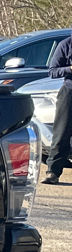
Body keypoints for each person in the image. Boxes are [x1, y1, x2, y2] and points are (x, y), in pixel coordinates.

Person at [47, 35, 72, 184]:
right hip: (69, 93)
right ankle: (53, 172)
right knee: (61, 133)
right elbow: (53, 71)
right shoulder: (65, 45)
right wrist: (70, 69)